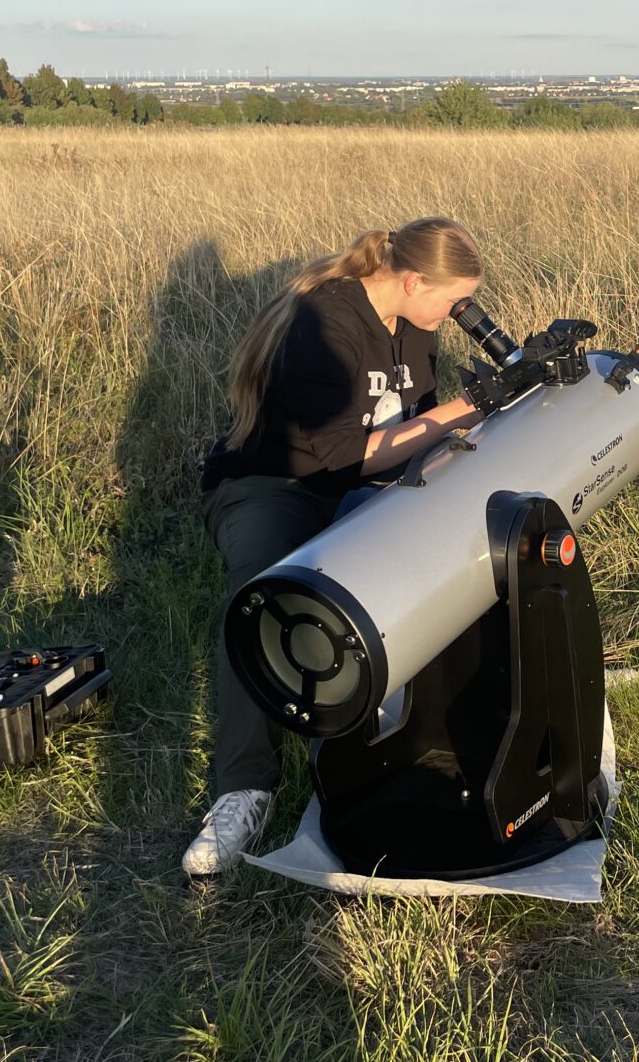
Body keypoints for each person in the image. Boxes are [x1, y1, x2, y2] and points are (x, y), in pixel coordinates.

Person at [185, 216, 486, 875]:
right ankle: (245, 788)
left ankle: (473, 691)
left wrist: (493, 408)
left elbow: (417, 429)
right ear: (412, 281)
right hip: (273, 484)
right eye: (453, 298)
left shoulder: (414, 328)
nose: (460, 314)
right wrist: (464, 408)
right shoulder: (326, 323)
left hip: (351, 480)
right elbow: (345, 456)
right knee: (264, 595)